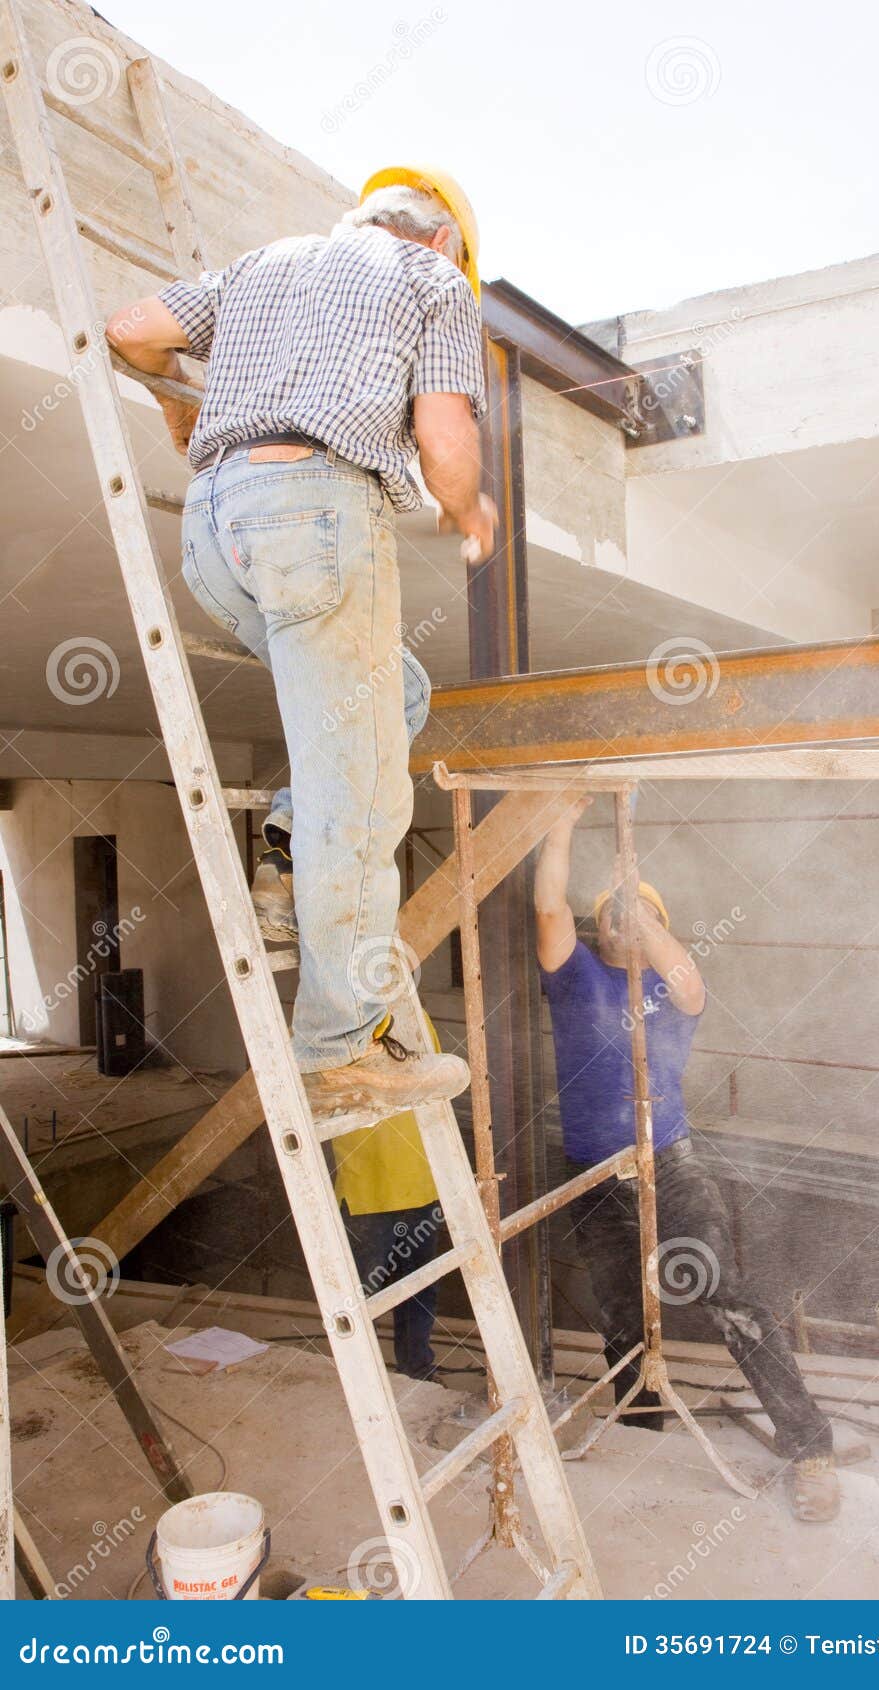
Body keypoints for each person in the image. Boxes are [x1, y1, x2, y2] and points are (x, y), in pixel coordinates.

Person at [107, 167, 495, 1114]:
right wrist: (469, 505)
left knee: (391, 699)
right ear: (444, 243)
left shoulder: (263, 263)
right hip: (315, 516)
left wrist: (178, 409)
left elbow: (131, 332)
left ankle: (283, 852)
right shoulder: (432, 281)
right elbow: (442, 434)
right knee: (358, 798)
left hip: (216, 535)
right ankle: (337, 1053)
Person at [534, 798, 840, 1522]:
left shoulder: (671, 994)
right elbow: (549, 906)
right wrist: (560, 823)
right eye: (613, 909)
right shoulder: (575, 978)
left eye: (642, 911)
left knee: (726, 1293)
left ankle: (810, 1444)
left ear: (659, 925)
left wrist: (642, 918)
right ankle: (642, 1434)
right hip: (592, 1175)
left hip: (667, 1162)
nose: (624, 918)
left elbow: (693, 977)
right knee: (621, 1314)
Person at [333, 1014, 446, 1380]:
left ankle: (418, 1370)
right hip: (369, 1192)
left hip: (420, 1185)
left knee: (419, 1293)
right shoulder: (328, 1022)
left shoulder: (414, 1016)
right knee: (359, 1299)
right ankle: (357, 1381)